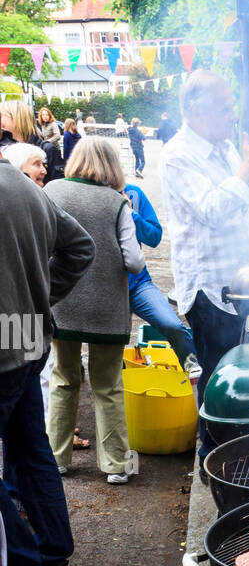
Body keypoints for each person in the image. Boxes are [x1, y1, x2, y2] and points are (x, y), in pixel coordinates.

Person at [159, 70, 249, 463]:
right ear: (197, 112)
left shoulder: (224, 146)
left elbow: (232, 205)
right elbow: (211, 210)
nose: (233, 116)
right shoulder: (178, 155)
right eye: (226, 108)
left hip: (244, 282)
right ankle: (216, 463)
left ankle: (248, 454)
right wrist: (247, 170)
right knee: (220, 383)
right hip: (213, 290)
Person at [0, 158, 94, 566]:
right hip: (25, 332)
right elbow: (79, 246)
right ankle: (53, 561)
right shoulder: (21, 183)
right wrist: (41, 295)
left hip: (7, 340)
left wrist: (41, 291)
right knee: (30, 450)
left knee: (29, 451)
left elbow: (80, 246)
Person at [44, 136, 145, 484]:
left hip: (61, 302)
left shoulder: (52, 191)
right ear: (112, 165)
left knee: (63, 379)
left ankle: (56, 458)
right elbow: (134, 262)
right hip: (107, 307)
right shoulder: (117, 203)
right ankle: (116, 465)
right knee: (107, 385)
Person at [124, 179, 197, 368]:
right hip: (103, 287)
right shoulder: (81, 195)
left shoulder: (133, 193)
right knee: (111, 351)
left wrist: (130, 213)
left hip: (137, 283)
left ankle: (194, 372)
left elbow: (154, 237)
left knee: (173, 325)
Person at [8, 101, 63, 182]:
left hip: (52, 148)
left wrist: (47, 142)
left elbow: (57, 136)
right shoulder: (42, 125)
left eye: (46, 114)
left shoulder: (53, 125)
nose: (45, 116)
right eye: (43, 115)